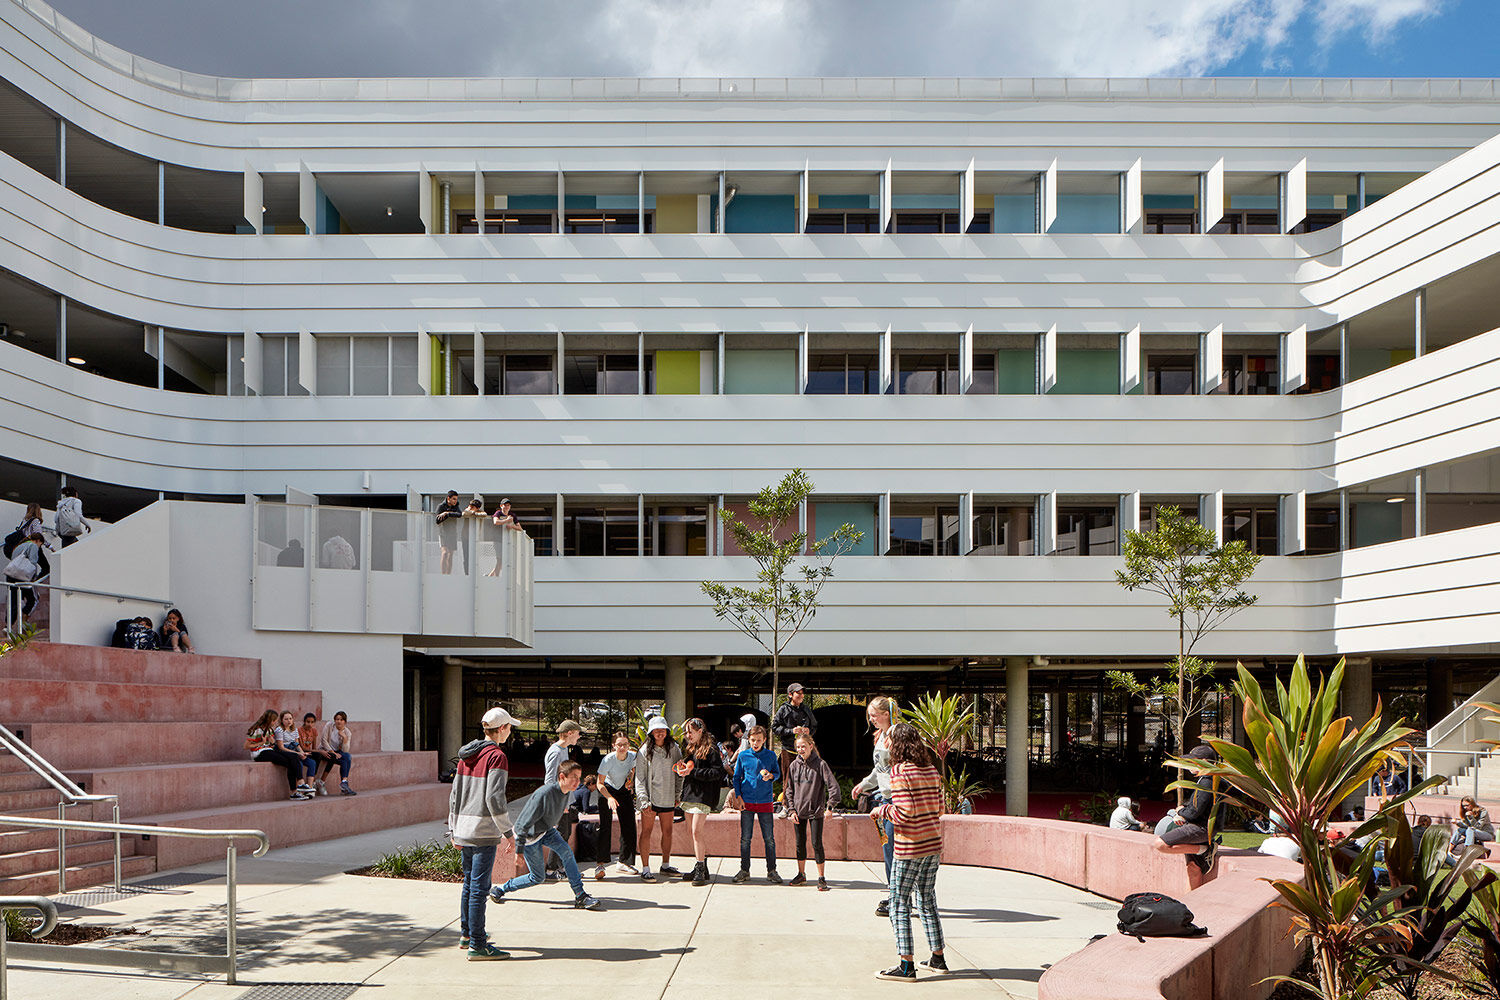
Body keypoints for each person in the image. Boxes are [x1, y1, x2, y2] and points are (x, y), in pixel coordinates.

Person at [873, 722, 948, 981]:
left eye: (890, 740)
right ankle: (938, 957)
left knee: (898, 903)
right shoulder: (931, 771)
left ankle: (906, 965)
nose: (887, 744)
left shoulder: (900, 772)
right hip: (932, 844)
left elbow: (903, 813)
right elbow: (939, 810)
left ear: (899, 744)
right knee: (927, 899)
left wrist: (882, 810)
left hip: (910, 846)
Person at [450, 706, 517, 960]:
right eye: (509, 728)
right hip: (483, 830)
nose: (510, 732)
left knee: (469, 884)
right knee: (480, 887)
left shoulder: (467, 755)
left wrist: (454, 829)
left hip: (465, 828)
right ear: (500, 729)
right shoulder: (496, 757)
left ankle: (467, 934)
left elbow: (454, 796)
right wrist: (508, 832)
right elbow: (495, 798)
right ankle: (478, 944)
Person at [490, 760, 603, 910]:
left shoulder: (565, 793)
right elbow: (523, 823)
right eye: (574, 777)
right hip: (530, 836)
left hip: (547, 831)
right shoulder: (544, 793)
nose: (578, 781)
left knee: (567, 853)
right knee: (537, 878)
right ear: (562, 776)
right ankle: (501, 889)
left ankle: (580, 895)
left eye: (579, 777)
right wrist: (519, 851)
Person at [852, 696, 897, 916]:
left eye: (873, 715)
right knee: (887, 848)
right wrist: (864, 784)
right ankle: (894, 893)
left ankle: (900, 897)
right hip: (885, 800)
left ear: (886, 714)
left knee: (896, 850)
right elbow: (879, 770)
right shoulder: (881, 737)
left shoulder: (896, 736)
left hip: (897, 801)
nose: (871, 719)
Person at [785, 733, 840, 890]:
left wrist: (830, 807)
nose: (801, 749)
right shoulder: (793, 766)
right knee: (799, 844)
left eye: (803, 746)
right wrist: (791, 810)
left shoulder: (820, 764)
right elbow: (789, 790)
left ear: (811, 746)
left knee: (816, 844)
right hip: (797, 811)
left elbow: (833, 787)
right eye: (798, 747)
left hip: (816, 811)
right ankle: (801, 874)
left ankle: (821, 878)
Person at [1155, 744, 1222, 874]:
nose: (1189, 764)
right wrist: (1183, 814)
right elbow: (1196, 807)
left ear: (1204, 762)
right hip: (1199, 827)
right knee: (1193, 868)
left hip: (1201, 828)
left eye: (1192, 761)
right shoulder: (1207, 779)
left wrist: (1180, 811)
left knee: (1160, 844)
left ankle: (1205, 849)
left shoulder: (1208, 781)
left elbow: (1194, 812)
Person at [676, 717, 727, 887]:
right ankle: (701, 865)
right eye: (687, 732)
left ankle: (700, 869)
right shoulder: (691, 748)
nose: (688, 735)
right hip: (690, 793)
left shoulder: (711, 750)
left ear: (700, 731)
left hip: (704, 796)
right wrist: (683, 768)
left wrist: (693, 772)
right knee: (692, 832)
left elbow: (718, 773)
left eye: (691, 731)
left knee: (696, 832)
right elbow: (690, 769)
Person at [731, 724, 782, 884]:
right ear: (749, 740)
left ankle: (772, 871)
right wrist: (738, 797)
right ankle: (744, 870)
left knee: (769, 838)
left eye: (759, 740)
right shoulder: (743, 756)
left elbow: (778, 773)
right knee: (745, 838)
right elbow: (736, 777)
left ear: (764, 740)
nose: (755, 743)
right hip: (747, 802)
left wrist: (770, 776)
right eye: (753, 740)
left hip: (765, 801)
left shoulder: (771, 755)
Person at [634, 717, 683, 882]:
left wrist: (677, 794)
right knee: (646, 832)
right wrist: (643, 799)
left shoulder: (674, 748)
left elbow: (679, 772)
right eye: (656, 730)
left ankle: (665, 864)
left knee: (668, 831)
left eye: (662, 729)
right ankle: (646, 868)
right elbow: (639, 778)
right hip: (649, 799)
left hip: (668, 797)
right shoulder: (643, 751)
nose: (660, 733)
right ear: (651, 732)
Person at [595, 731, 638, 878]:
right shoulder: (608, 760)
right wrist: (609, 798)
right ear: (614, 746)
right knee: (605, 826)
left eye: (625, 744)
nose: (622, 747)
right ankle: (600, 864)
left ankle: (624, 862)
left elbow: (633, 770)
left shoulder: (633, 756)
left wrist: (631, 780)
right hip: (606, 789)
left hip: (623, 790)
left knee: (629, 825)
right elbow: (599, 783)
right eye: (619, 744)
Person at [544, 720, 584, 876]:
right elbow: (549, 779)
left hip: (565, 799)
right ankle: (551, 869)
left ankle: (559, 867)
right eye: (578, 733)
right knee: (561, 834)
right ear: (570, 733)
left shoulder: (563, 749)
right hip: (559, 801)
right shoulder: (555, 752)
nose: (579, 737)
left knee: (565, 834)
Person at [246, 709, 307, 800]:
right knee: (290, 760)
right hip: (259, 753)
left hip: (269, 750)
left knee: (293, 758)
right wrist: (261, 742)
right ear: (269, 720)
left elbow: (272, 744)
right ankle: (299, 786)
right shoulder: (256, 730)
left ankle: (295, 790)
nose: (275, 722)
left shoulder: (270, 730)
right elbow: (246, 746)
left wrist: (272, 742)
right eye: (274, 720)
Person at [772, 682, 818, 780]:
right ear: (790, 695)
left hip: (805, 752)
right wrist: (791, 731)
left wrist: (808, 731)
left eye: (802, 693)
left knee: (806, 780)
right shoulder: (783, 709)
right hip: (789, 751)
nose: (801, 696)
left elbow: (814, 726)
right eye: (798, 693)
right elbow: (775, 728)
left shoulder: (806, 709)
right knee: (788, 781)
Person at [4, 532, 47, 622]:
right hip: (22, 577)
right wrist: (34, 578)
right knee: (32, 599)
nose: (39, 547)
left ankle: (8, 626)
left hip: (11, 575)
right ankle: (24, 617)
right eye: (41, 544)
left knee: (14, 601)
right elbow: (33, 562)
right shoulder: (33, 546)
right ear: (38, 541)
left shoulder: (19, 546)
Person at [273, 710, 316, 797]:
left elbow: (297, 744)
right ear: (281, 720)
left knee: (312, 763)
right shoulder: (279, 730)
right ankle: (298, 790)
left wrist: (302, 753)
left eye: (290, 719)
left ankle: (309, 788)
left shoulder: (295, 729)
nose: (289, 721)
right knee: (297, 763)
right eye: (286, 719)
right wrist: (297, 753)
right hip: (284, 750)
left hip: (294, 750)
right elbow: (281, 747)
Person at [298, 712, 340, 795]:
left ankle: (321, 781)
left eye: (312, 722)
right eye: (308, 722)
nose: (310, 724)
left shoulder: (314, 730)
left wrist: (321, 751)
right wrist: (320, 751)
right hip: (303, 752)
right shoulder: (299, 730)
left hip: (311, 752)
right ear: (304, 721)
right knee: (318, 755)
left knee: (332, 756)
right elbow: (303, 748)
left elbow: (313, 747)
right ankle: (312, 782)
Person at [319, 711, 357, 795]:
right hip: (325, 750)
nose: (339, 721)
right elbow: (323, 740)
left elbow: (345, 751)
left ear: (345, 722)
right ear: (334, 720)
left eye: (341, 720)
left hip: (337, 752)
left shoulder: (347, 733)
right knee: (345, 760)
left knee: (347, 756)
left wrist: (344, 738)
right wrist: (332, 752)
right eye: (337, 719)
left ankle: (344, 782)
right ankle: (344, 784)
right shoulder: (329, 726)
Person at [486, 499, 525, 578]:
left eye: (508, 505)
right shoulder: (498, 513)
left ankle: (490, 576)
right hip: (497, 539)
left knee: (503, 560)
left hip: (507, 541)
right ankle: (495, 577)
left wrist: (512, 526)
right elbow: (495, 522)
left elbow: (520, 528)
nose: (507, 507)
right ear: (501, 506)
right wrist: (506, 520)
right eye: (505, 505)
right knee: (500, 560)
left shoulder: (512, 515)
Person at [1448, 796, 1494, 862]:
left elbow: (1478, 826)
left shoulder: (1483, 812)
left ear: (1472, 804)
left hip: (1486, 834)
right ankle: (1449, 851)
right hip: (1473, 832)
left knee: (1470, 830)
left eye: (1467, 805)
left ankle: (1467, 854)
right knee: (1460, 830)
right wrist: (1457, 823)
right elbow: (1466, 826)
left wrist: (1471, 817)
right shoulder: (1466, 812)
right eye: (1463, 806)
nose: (1465, 807)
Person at [571, 774, 602, 863]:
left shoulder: (580, 788)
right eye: (595, 786)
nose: (595, 788)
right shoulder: (586, 792)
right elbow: (586, 809)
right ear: (591, 784)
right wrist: (598, 809)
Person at [435, 490, 464, 575]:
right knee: (445, 553)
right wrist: (444, 514)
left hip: (453, 533)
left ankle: (448, 575)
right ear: (448, 498)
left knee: (450, 555)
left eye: (456, 499)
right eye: (454, 499)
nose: (455, 501)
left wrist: (447, 514)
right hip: (443, 533)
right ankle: (443, 575)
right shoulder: (441, 506)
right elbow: (437, 521)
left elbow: (459, 514)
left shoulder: (456, 506)